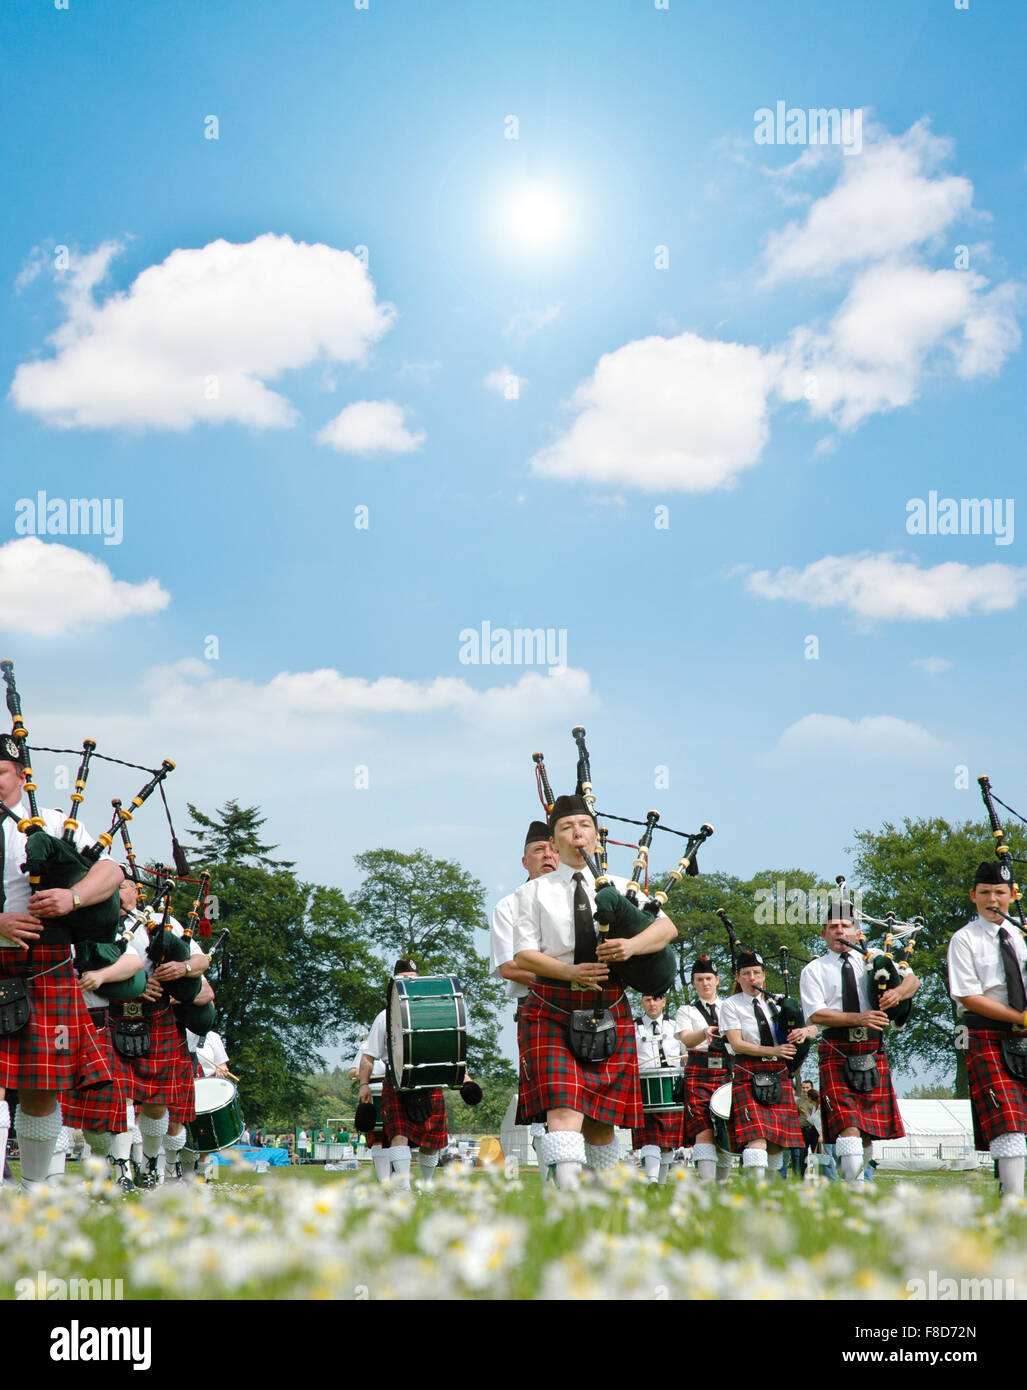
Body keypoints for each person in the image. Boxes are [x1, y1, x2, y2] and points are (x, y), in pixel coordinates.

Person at [513, 793, 678, 1190]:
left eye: (584, 826)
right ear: (554, 842)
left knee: (603, 1122)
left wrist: (632, 946)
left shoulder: (621, 887)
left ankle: (601, 1198)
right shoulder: (531, 894)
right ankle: (569, 1195)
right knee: (565, 1108)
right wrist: (570, 971)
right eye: (567, 828)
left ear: (596, 837)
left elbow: (667, 929)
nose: (577, 834)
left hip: (609, 1006)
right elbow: (524, 955)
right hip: (553, 1006)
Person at [0, 732, 123, 1191]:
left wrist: (72, 897)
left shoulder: (51, 822)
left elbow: (109, 872)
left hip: (46, 964)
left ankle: (34, 1188)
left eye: (1, 773)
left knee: (39, 1090)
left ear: (19, 774)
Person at [800, 899, 914, 1182]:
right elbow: (816, 1014)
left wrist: (898, 993)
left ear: (857, 931)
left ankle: (862, 1184)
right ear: (823, 934)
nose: (839, 931)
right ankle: (854, 1189)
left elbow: (914, 981)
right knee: (848, 1125)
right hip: (837, 1048)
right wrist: (860, 1018)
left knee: (865, 1129)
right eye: (832, 927)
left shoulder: (875, 958)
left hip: (873, 1048)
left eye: (845, 926)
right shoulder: (813, 970)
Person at [948, 860, 1027, 1200]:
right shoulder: (964, 939)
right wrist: (1021, 1018)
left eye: (1000, 892)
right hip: (989, 1036)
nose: (993, 899)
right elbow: (968, 995)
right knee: (1008, 1121)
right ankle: (1012, 1200)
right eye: (985, 893)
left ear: (1013, 894)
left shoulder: (1023, 935)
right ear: (973, 896)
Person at [489, 820, 559, 1178]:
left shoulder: (585, 898)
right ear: (525, 861)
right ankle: (552, 1187)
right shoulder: (509, 906)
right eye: (539, 851)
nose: (548, 856)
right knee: (546, 1105)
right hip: (540, 1010)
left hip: (590, 1008)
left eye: (553, 850)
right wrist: (565, 977)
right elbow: (507, 967)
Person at [720, 950, 814, 1183]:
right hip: (748, 1073)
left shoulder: (782, 1002)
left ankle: (770, 1192)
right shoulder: (731, 1005)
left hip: (779, 1074)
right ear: (738, 977)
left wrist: (804, 1031)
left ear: (763, 975)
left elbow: (813, 1027)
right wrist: (773, 1051)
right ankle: (755, 1192)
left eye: (756, 973)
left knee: (775, 1143)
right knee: (756, 1139)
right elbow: (736, 1043)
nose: (752, 978)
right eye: (746, 974)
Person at [358, 959, 449, 1188]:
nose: (408, 983)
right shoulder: (384, 1016)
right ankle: (405, 1189)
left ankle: (426, 1188)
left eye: (413, 979)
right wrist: (364, 1085)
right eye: (403, 979)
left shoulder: (432, 1012)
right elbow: (368, 1056)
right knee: (398, 1133)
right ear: (395, 983)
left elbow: (448, 1044)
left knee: (432, 1140)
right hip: (396, 1080)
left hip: (428, 1078)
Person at [675, 955, 734, 1183]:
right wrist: (704, 1032)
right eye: (699, 979)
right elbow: (687, 1040)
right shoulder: (686, 1011)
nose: (705, 983)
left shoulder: (729, 1007)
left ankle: (722, 1185)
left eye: (709, 978)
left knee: (726, 1129)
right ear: (693, 983)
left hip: (726, 1071)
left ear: (717, 980)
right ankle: (707, 1186)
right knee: (703, 1129)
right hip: (698, 1071)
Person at [631, 991, 683, 1183]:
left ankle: (659, 1184)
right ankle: (652, 1181)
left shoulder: (676, 1026)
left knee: (668, 1143)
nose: (652, 1003)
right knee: (650, 1138)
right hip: (644, 1088)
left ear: (664, 1001)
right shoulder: (632, 1029)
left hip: (672, 1088)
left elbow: (686, 1054)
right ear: (642, 1002)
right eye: (647, 1000)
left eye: (656, 999)